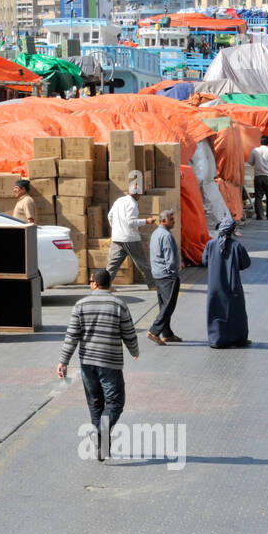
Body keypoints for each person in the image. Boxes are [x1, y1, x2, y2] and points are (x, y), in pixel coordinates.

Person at [56, 269, 140, 462]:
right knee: (115, 403)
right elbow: (129, 332)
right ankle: (102, 433)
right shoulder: (119, 305)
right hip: (110, 362)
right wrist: (134, 350)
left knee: (95, 402)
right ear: (109, 284)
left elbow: (72, 336)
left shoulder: (80, 305)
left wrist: (63, 361)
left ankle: (101, 446)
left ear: (94, 284)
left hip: (87, 363)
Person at [203, 217, 251, 348]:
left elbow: (205, 261)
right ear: (232, 231)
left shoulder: (210, 245)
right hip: (232, 285)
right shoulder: (237, 246)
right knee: (236, 312)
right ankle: (238, 339)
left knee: (216, 311)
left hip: (215, 285)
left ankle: (217, 339)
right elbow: (246, 263)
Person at [105, 186, 157, 287]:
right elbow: (130, 222)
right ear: (137, 194)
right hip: (130, 239)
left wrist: (116, 228)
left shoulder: (118, 201)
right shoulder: (132, 204)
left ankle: (105, 286)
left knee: (112, 265)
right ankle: (153, 285)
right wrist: (146, 221)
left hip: (117, 238)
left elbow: (109, 216)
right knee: (142, 263)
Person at [147, 209, 182, 345]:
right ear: (163, 221)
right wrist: (173, 272)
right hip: (167, 275)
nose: (174, 221)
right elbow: (170, 258)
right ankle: (154, 331)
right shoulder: (166, 236)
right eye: (171, 219)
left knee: (164, 305)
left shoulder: (156, 233)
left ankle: (167, 334)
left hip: (158, 274)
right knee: (169, 305)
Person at [249, 136, 268, 220]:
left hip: (258, 176)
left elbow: (250, 162)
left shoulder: (255, 150)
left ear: (260, 142)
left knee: (258, 196)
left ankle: (260, 215)